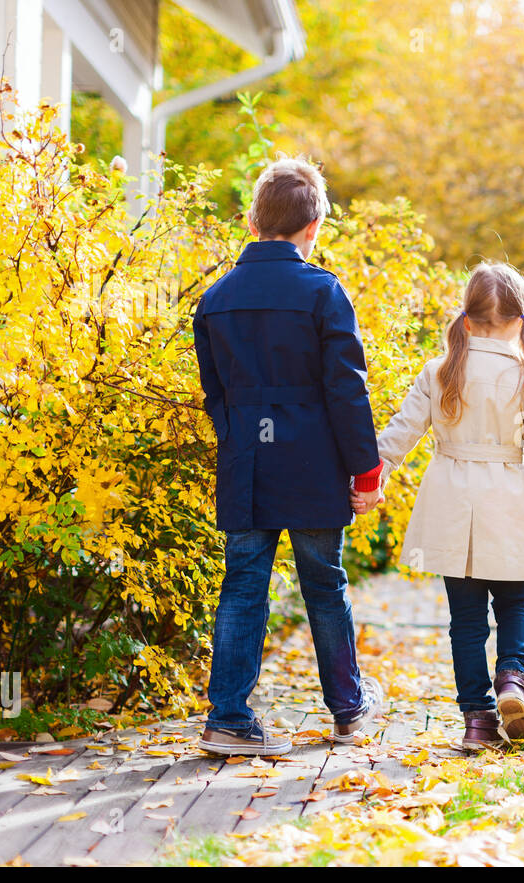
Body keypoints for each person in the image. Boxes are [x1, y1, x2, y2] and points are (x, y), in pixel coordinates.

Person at [192, 158, 385, 756]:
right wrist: (366, 470)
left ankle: (228, 717)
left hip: (248, 463)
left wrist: (240, 438)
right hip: (313, 465)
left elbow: (215, 393)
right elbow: (345, 390)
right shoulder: (324, 293)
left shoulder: (216, 299)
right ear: (314, 225)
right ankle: (348, 711)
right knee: (324, 585)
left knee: (243, 585)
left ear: (254, 220)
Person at [352, 261, 524, 750]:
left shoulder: (440, 371)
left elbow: (397, 436)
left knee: (466, 621)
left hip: (452, 510)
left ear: (466, 320)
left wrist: (371, 478)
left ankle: (477, 721)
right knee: (516, 603)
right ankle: (513, 680)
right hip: (510, 507)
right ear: (520, 320)